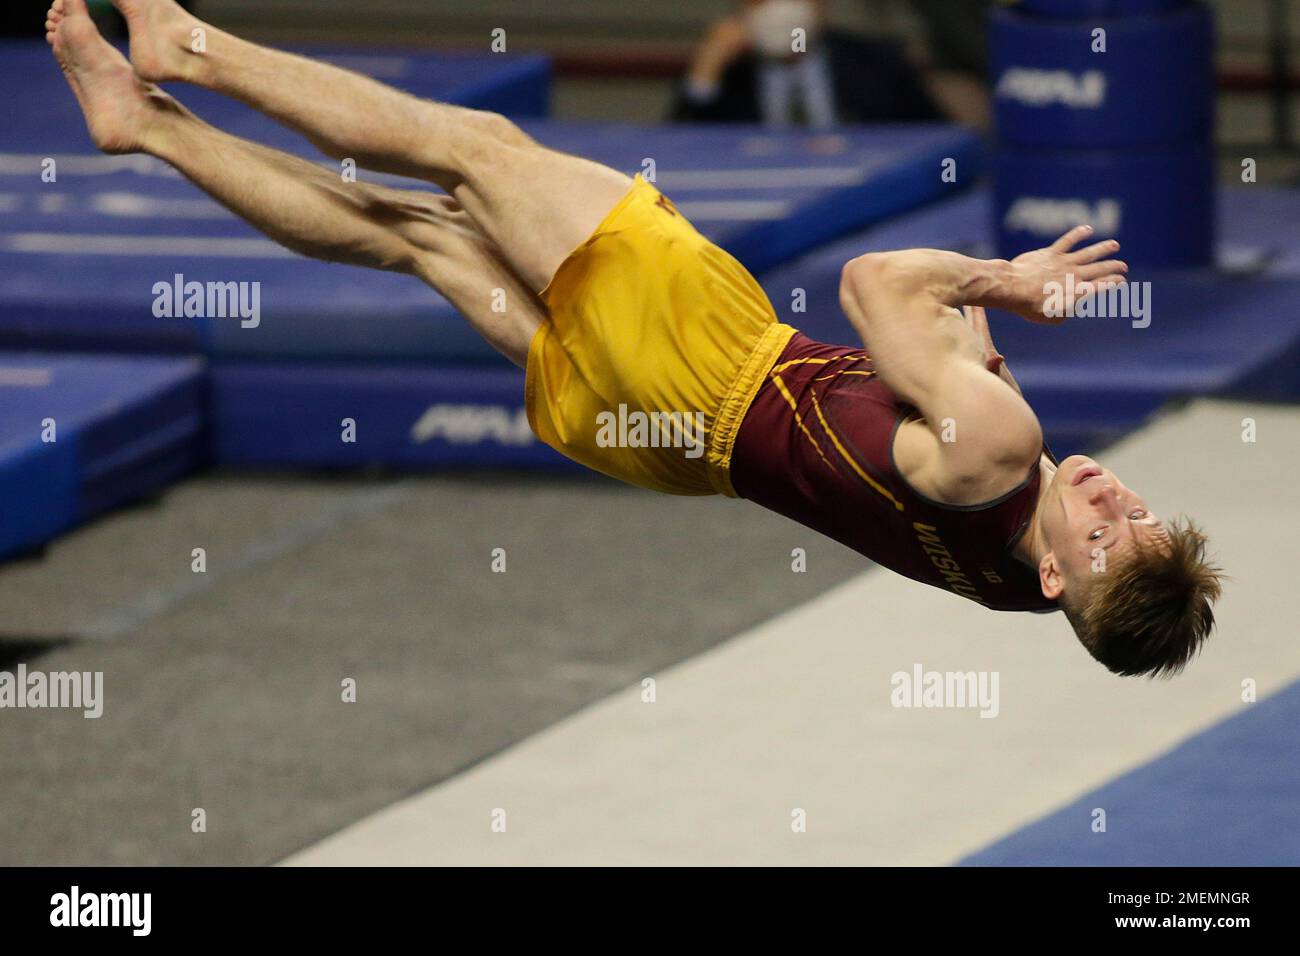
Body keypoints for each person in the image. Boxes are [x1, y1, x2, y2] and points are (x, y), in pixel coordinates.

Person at [46, 0, 1221, 677]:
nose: (1117, 497)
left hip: (705, 355)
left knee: (474, 152)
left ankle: (187, 53)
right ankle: (147, 126)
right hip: (671, 451)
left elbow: (870, 283)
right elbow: (914, 449)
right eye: (1144, 511)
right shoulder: (1027, 594)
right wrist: (956, 366)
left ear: (1063, 569)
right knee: (420, 240)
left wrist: (996, 283)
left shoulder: (1004, 451)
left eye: (1108, 532)